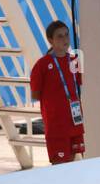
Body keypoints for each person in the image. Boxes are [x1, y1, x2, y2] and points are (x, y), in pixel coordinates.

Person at [31, 20, 84, 165]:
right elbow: (35, 94)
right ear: (50, 40)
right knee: (60, 162)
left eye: (66, 35)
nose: (65, 39)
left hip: (74, 117)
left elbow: (77, 85)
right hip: (56, 123)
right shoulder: (41, 65)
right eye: (59, 36)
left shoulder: (74, 61)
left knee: (73, 158)